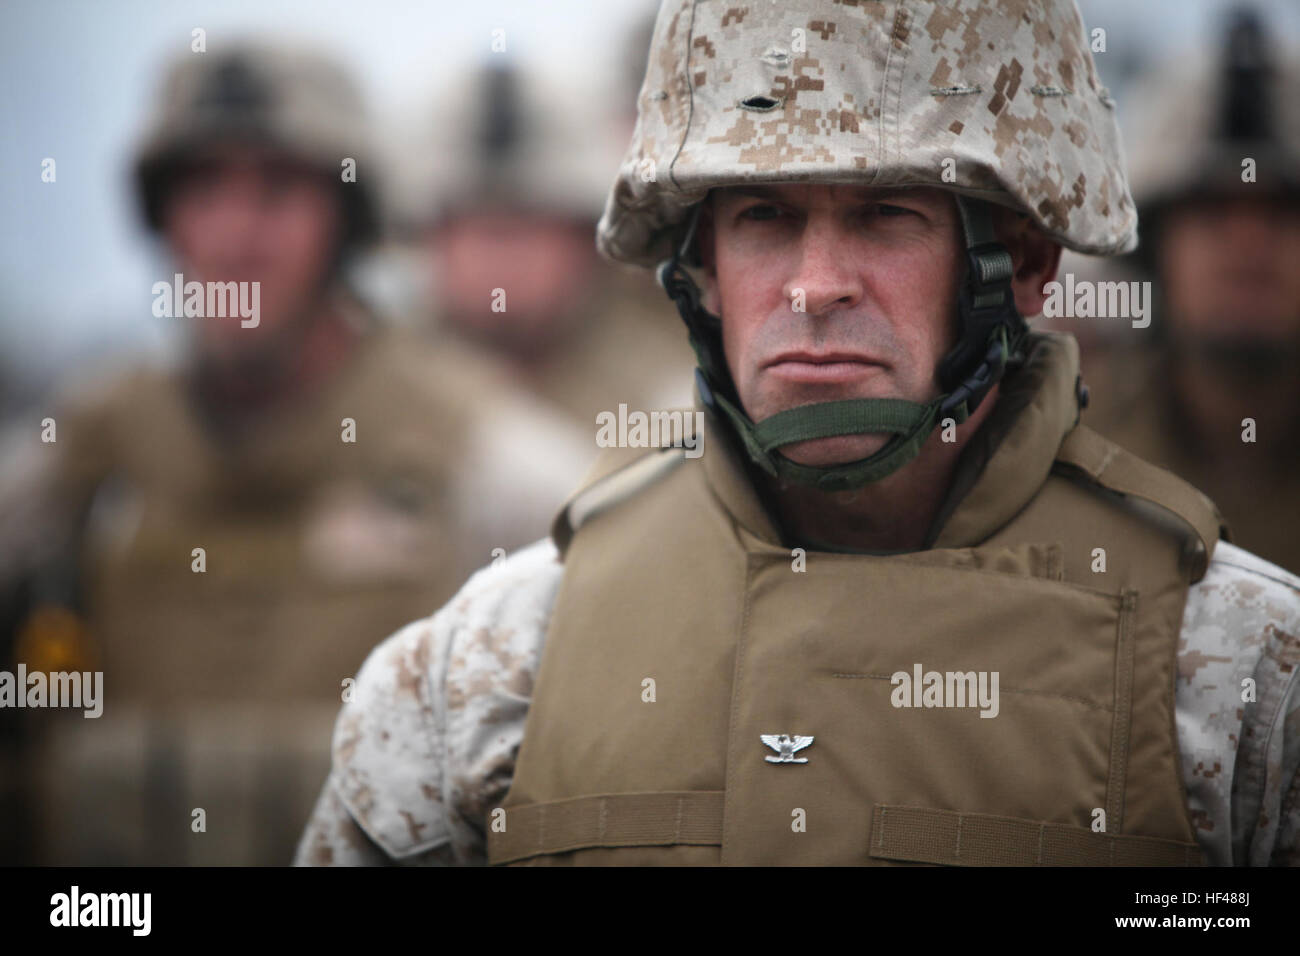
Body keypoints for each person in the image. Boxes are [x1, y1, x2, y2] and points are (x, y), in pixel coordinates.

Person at [296, 0, 1299, 867]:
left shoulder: (1241, 675)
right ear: (700, 267)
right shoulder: (488, 667)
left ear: (1022, 256)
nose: (815, 285)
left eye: (884, 215)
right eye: (766, 216)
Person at [0, 38, 584, 865]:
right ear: (161, 217)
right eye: (204, 189)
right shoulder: (82, 458)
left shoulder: (485, 456)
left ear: (345, 224)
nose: (238, 235)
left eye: (277, 192)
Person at [1082, 7, 1300, 574]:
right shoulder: (1064, 447)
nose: (1248, 249)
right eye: (1211, 214)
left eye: (1280, 214)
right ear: (1155, 252)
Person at [406, 60, 695, 430]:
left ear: (587, 241)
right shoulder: (372, 389)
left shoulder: (673, 401)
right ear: (436, 240)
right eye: (483, 228)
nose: (502, 258)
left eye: (526, 225)